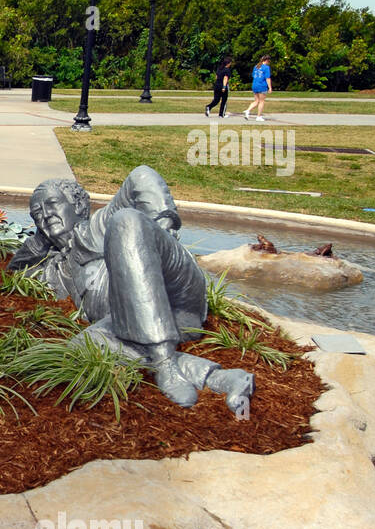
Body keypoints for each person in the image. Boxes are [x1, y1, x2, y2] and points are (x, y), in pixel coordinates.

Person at [25, 169, 255, 416]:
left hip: (174, 291)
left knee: (126, 220)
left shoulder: (95, 227)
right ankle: (221, 378)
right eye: (37, 215)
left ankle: (164, 361)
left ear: (78, 206)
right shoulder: (53, 271)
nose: (46, 216)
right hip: (144, 325)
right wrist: (40, 240)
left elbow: (141, 176)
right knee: (81, 346)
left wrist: (163, 224)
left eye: (52, 204)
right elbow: (13, 268)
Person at [243, 54, 272, 122]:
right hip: (262, 85)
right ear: (267, 60)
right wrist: (270, 87)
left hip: (255, 85)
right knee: (261, 101)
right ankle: (258, 116)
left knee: (256, 101)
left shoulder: (256, 66)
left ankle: (248, 110)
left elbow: (253, 76)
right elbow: (267, 78)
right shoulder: (266, 67)